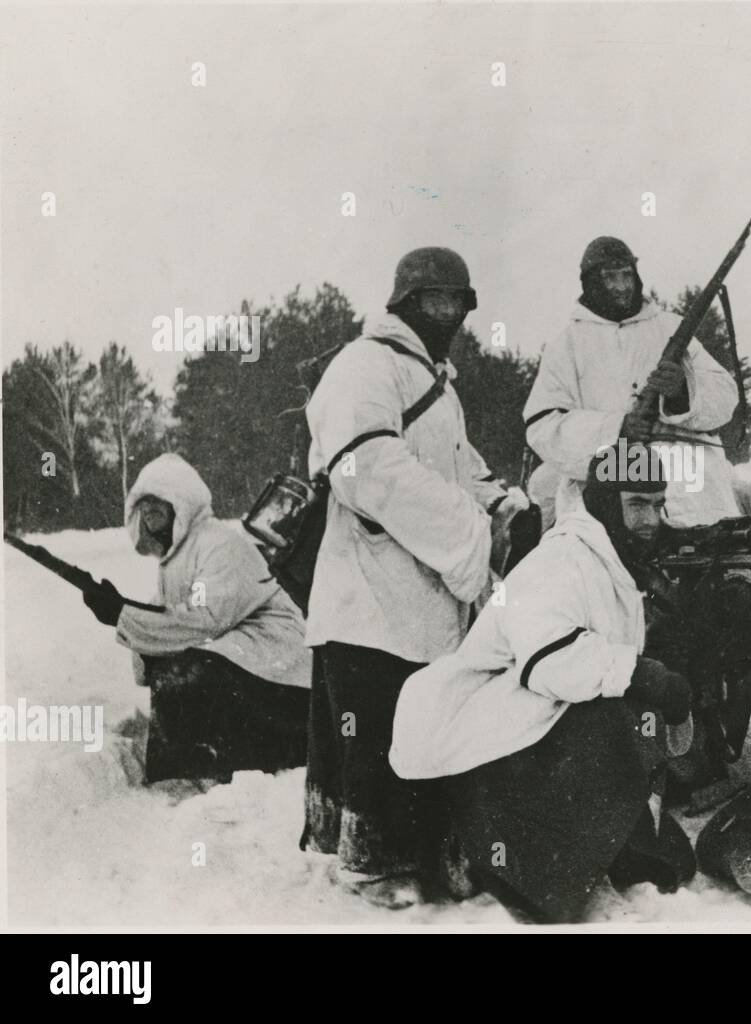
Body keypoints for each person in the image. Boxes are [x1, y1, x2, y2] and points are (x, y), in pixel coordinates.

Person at [300, 246, 528, 907]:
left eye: (456, 301)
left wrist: (496, 499)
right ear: (404, 303)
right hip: (369, 593)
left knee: (419, 726)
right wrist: (465, 529)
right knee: (371, 734)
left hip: (423, 594)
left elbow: (458, 466)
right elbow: (361, 464)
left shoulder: (434, 382)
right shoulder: (364, 366)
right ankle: (370, 865)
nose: (447, 313)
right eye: (434, 300)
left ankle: (421, 855)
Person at [389, 442, 697, 923]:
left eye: (659, 503)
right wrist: (643, 674)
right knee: (618, 721)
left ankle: (600, 850)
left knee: (632, 723)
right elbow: (549, 663)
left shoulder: (608, 557)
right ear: (603, 503)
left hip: (520, 727)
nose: (652, 519)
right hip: (478, 740)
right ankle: (506, 866)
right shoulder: (562, 559)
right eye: (637, 503)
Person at [82, 453, 311, 784]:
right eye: (143, 503)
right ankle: (182, 770)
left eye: (158, 501)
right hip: (253, 668)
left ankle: (224, 765)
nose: (149, 510)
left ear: (182, 504)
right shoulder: (174, 561)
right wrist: (118, 612)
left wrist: (125, 618)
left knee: (190, 667)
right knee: (177, 666)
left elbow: (204, 620)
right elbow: (163, 628)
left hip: (281, 674)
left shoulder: (219, 543)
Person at [522, 235, 740, 528]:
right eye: (610, 278)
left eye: (627, 275)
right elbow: (543, 426)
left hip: (694, 488)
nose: (622, 287)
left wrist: (683, 392)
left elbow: (726, 397)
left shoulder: (670, 327)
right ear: (590, 283)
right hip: (610, 482)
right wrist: (615, 429)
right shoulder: (566, 345)